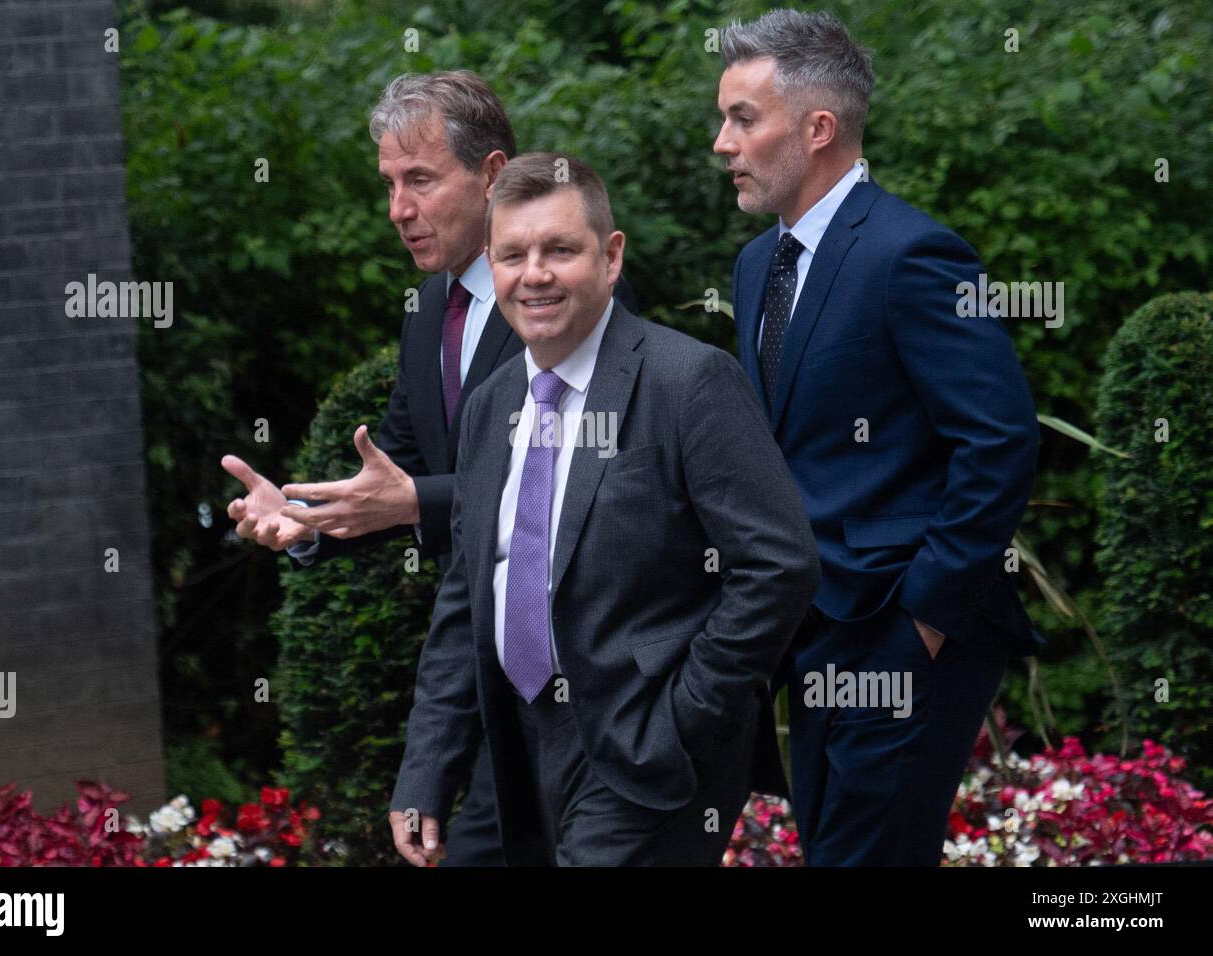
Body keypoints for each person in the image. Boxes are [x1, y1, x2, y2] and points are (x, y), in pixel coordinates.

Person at [223, 70, 636, 866]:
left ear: (490, 176)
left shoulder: (562, 296)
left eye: (419, 180)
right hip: (491, 676)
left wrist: (414, 498)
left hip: (601, 690)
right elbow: (403, 478)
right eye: (388, 184)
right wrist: (302, 521)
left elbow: (585, 475)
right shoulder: (428, 311)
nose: (397, 211)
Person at [387, 153, 820, 866]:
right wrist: (426, 770)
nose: (535, 275)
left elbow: (779, 565)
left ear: (611, 256)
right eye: (513, 255)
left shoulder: (690, 382)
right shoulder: (491, 405)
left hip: (648, 751)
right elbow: (467, 597)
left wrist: (687, 714)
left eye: (560, 250)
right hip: (524, 752)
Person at [715, 9, 1042, 865]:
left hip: (906, 635)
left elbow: (999, 441)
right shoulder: (758, 265)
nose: (722, 142)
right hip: (812, 633)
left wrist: (926, 619)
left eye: (743, 118)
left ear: (819, 128)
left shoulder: (914, 254)